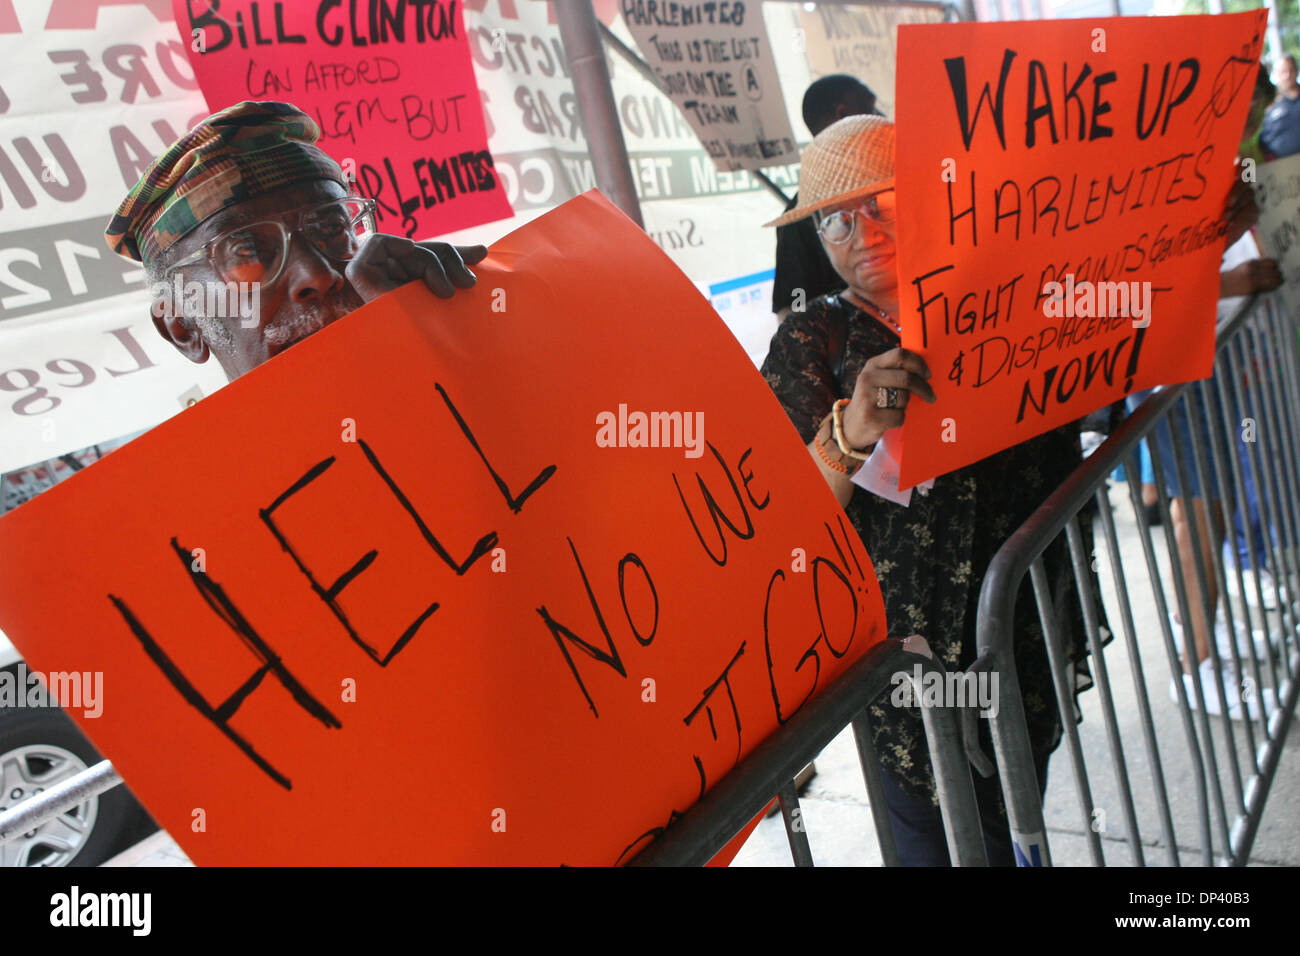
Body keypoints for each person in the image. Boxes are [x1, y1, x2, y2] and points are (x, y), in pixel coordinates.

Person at [760, 115, 1096, 866]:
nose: (862, 230)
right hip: (906, 645)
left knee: (1016, 801)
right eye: (836, 220)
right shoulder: (816, 340)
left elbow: (1101, 365)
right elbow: (784, 515)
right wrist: (852, 431)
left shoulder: (1006, 292)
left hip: (1019, 614)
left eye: (880, 202)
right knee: (929, 827)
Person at [104, 101, 486, 383]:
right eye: (247, 252)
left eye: (332, 229)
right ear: (182, 327)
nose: (317, 276)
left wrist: (461, 347)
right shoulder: (207, 488)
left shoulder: (451, 363)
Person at [770, 76, 879, 322]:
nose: (870, 240)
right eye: (870, 109)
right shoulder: (801, 214)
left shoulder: (897, 184)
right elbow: (793, 306)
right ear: (843, 115)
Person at [1260, 55, 1300, 160]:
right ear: (1276, 75)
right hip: (1283, 168)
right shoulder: (1270, 107)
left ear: (1296, 70)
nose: (1287, 75)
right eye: (1283, 72)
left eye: (1290, 70)